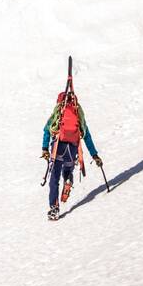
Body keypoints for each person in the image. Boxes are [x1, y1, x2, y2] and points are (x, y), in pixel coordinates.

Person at [41, 88, 101, 220]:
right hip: (72, 149)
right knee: (68, 168)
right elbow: (86, 136)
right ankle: (68, 178)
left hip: (58, 147)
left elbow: (46, 130)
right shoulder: (78, 114)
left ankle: (54, 208)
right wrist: (94, 155)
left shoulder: (58, 113)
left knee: (54, 178)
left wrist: (45, 148)